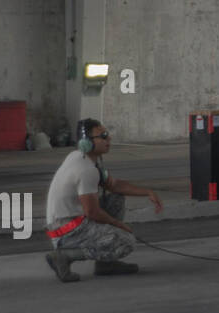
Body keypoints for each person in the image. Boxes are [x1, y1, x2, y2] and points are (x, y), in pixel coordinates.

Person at [43, 118, 163, 283]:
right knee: (126, 241)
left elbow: (113, 185)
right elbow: (92, 212)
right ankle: (64, 256)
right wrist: (119, 225)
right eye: (103, 136)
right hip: (66, 230)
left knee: (115, 199)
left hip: (66, 222)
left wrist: (147, 192)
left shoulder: (80, 157)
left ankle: (106, 264)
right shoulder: (86, 170)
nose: (109, 139)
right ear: (86, 143)